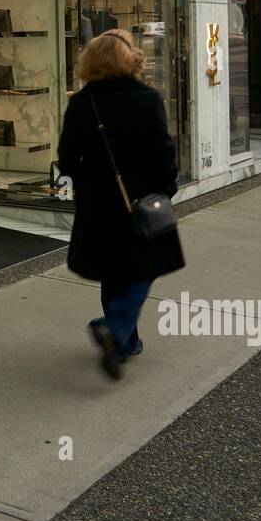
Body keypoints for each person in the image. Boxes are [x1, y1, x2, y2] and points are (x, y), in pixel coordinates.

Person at [57, 29, 184, 379]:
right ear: (128, 58)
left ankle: (125, 343)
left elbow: (67, 157)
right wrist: (167, 186)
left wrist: (78, 184)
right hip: (142, 198)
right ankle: (113, 327)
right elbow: (164, 150)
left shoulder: (82, 102)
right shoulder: (147, 98)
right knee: (146, 265)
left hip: (97, 202)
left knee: (114, 269)